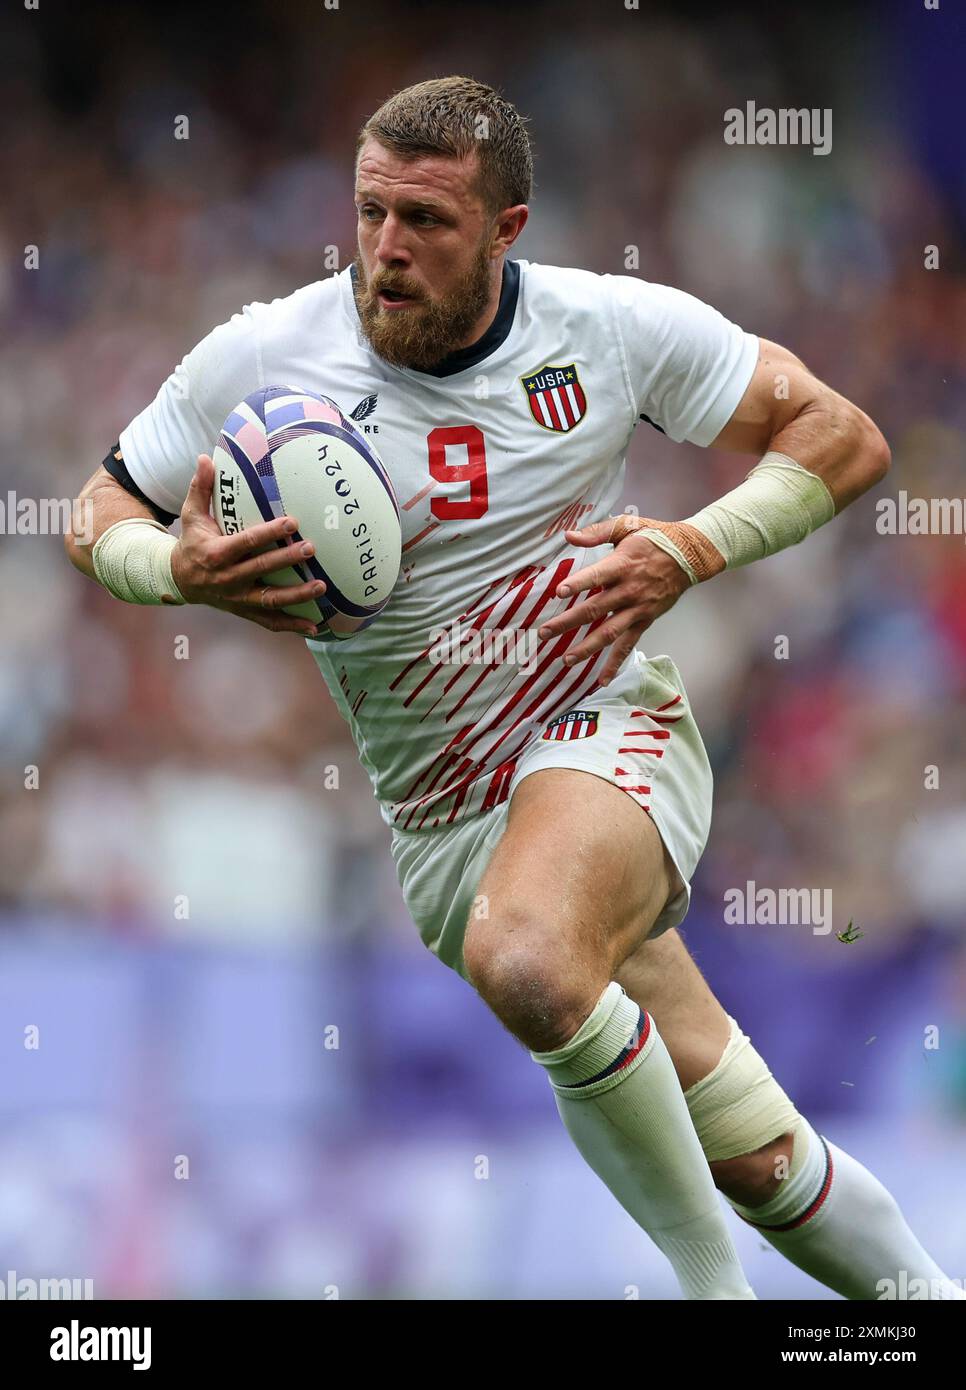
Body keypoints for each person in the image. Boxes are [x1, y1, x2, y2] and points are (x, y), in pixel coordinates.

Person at [66, 75, 961, 1301]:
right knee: (755, 1155)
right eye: (371, 212)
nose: (385, 251)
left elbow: (842, 437)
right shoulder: (272, 353)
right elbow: (99, 508)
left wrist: (691, 548)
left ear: (507, 227)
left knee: (532, 960)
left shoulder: (607, 328)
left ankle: (715, 1296)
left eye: (426, 221)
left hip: (601, 726)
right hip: (442, 822)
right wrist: (176, 568)